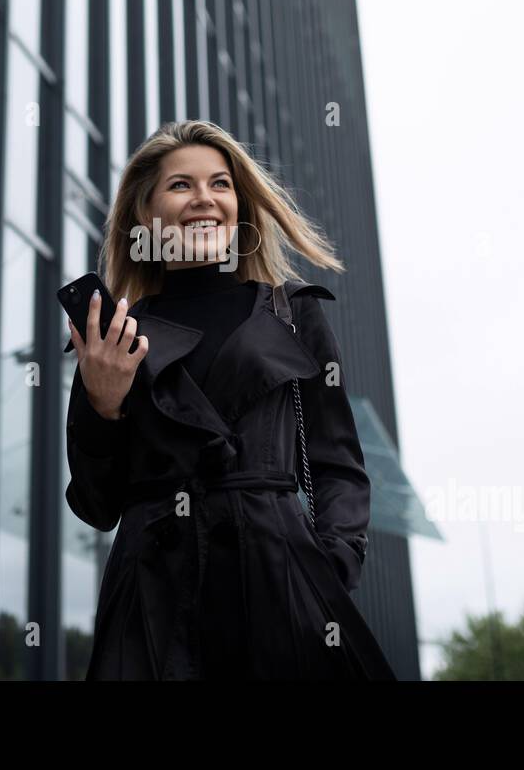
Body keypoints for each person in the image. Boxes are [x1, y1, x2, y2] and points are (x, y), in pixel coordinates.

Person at [64, 119, 396, 680]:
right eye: (180, 185)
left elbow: (339, 464)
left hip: (280, 580)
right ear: (145, 215)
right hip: (155, 600)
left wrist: (327, 567)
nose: (205, 199)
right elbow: (97, 506)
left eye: (220, 184)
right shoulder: (113, 334)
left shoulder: (292, 315)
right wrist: (103, 406)